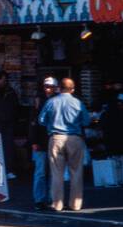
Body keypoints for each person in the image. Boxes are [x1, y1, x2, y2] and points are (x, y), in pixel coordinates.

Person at [38, 77, 92, 212]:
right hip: (75, 138)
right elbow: (86, 121)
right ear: (72, 89)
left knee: (57, 173)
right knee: (76, 172)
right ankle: (75, 204)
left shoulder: (51, 102)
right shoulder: (78, 103)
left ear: (59, 88)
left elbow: (41, 120)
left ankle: (57, 204)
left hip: (56, 137)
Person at [31, 77, 59, 209]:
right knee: (40, 172)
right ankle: (40, 199)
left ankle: (51, 198)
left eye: (50, 86)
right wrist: (34, 141)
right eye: (46, 86)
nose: (48, 89)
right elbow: (33, 123)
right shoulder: (39, 101)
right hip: (42, 141)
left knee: (53, 172)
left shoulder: (57, 101)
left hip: (53, 141)